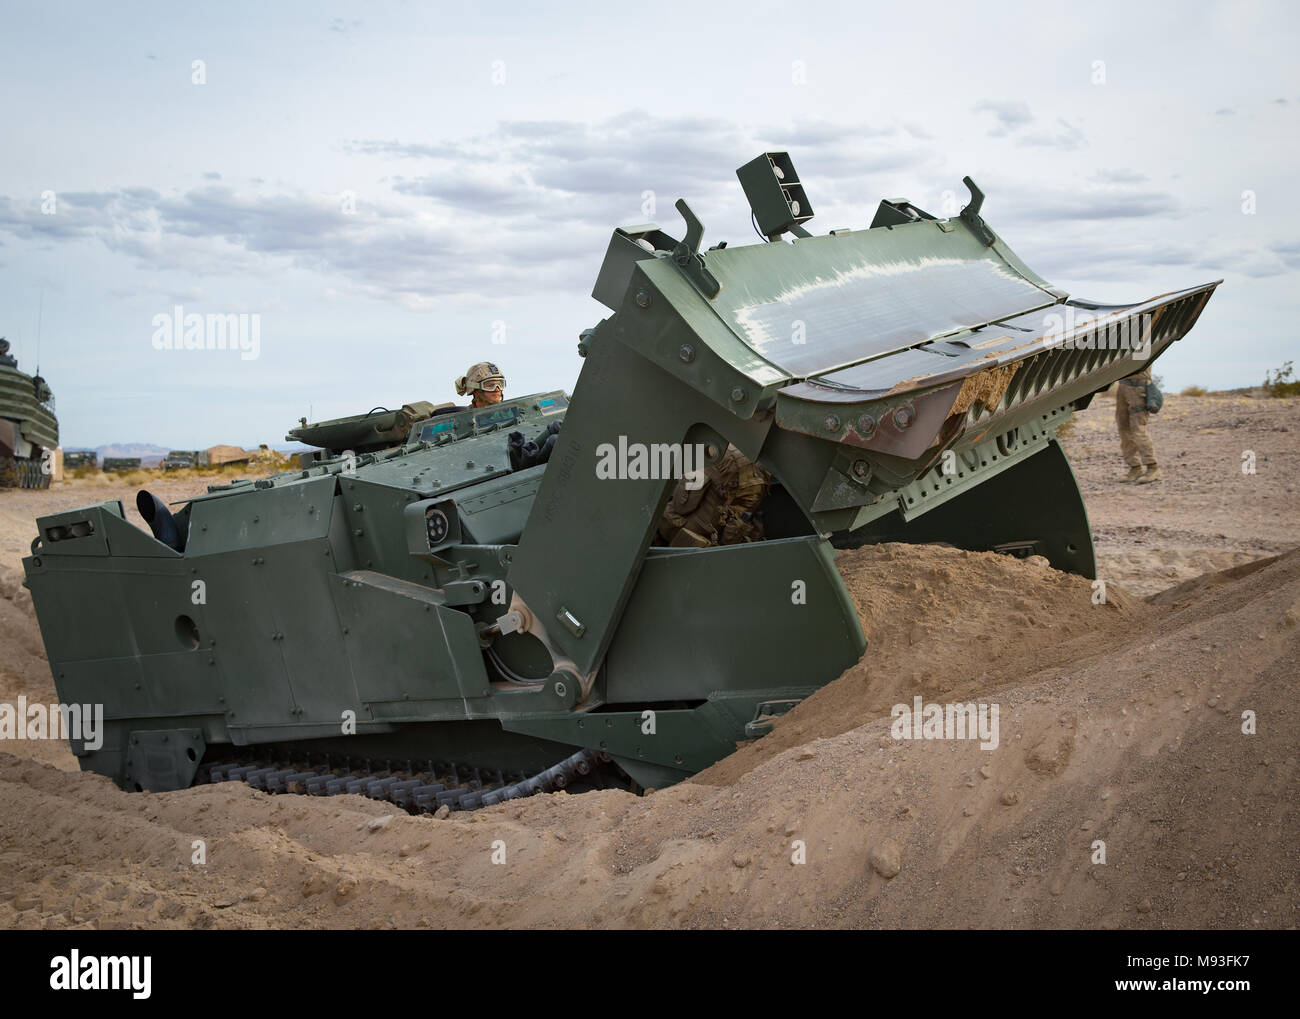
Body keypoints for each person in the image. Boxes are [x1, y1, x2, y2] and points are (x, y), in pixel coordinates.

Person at [1115, 367, 1160, 484]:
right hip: (1123, 387)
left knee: (1138, 431)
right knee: (1124, 430)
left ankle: (1152, 467)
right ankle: (1135, 468)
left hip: (1138, 388)